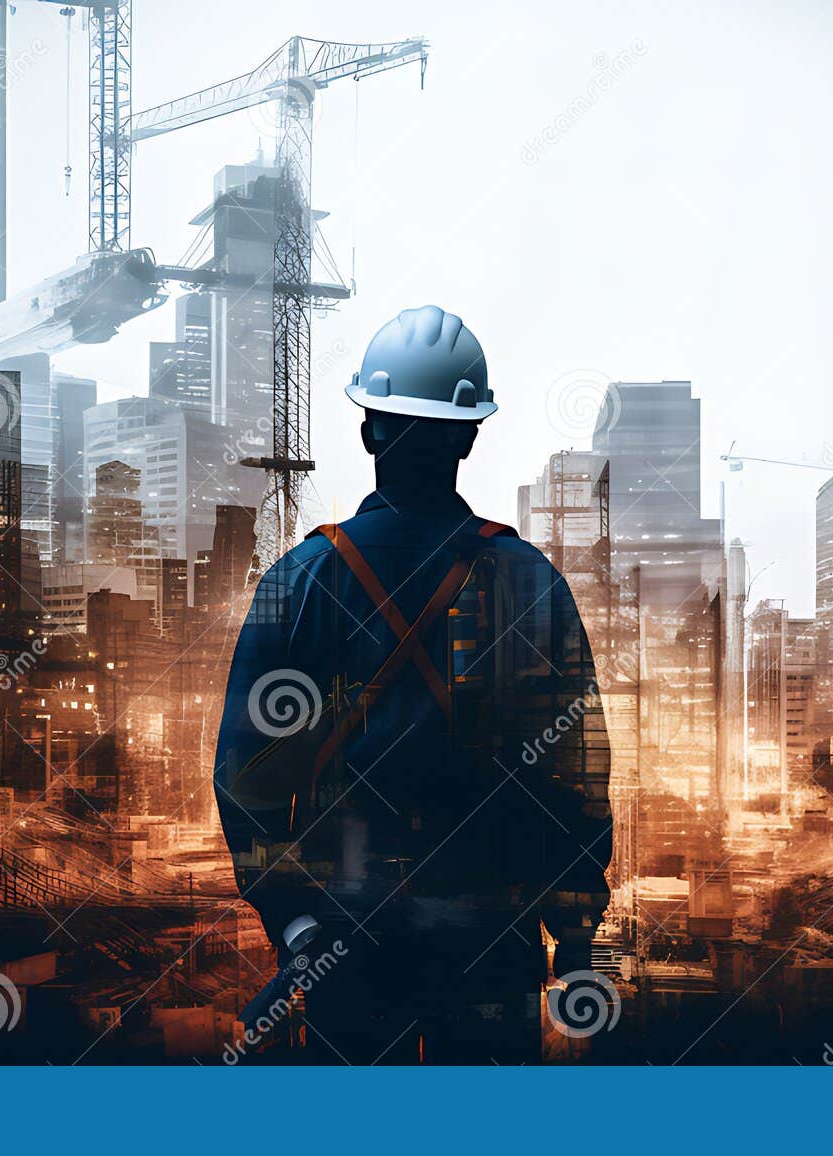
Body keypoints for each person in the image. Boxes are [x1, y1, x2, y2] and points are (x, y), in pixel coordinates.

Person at [214, 305, 612, 1063]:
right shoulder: (530, 582)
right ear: (469, 435)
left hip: (346, 944)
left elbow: (249, 778)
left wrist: (295, 925)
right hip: (490, 939)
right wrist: (576, 930)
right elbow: (575, 775)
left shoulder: (298, 580)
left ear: (370, 430)